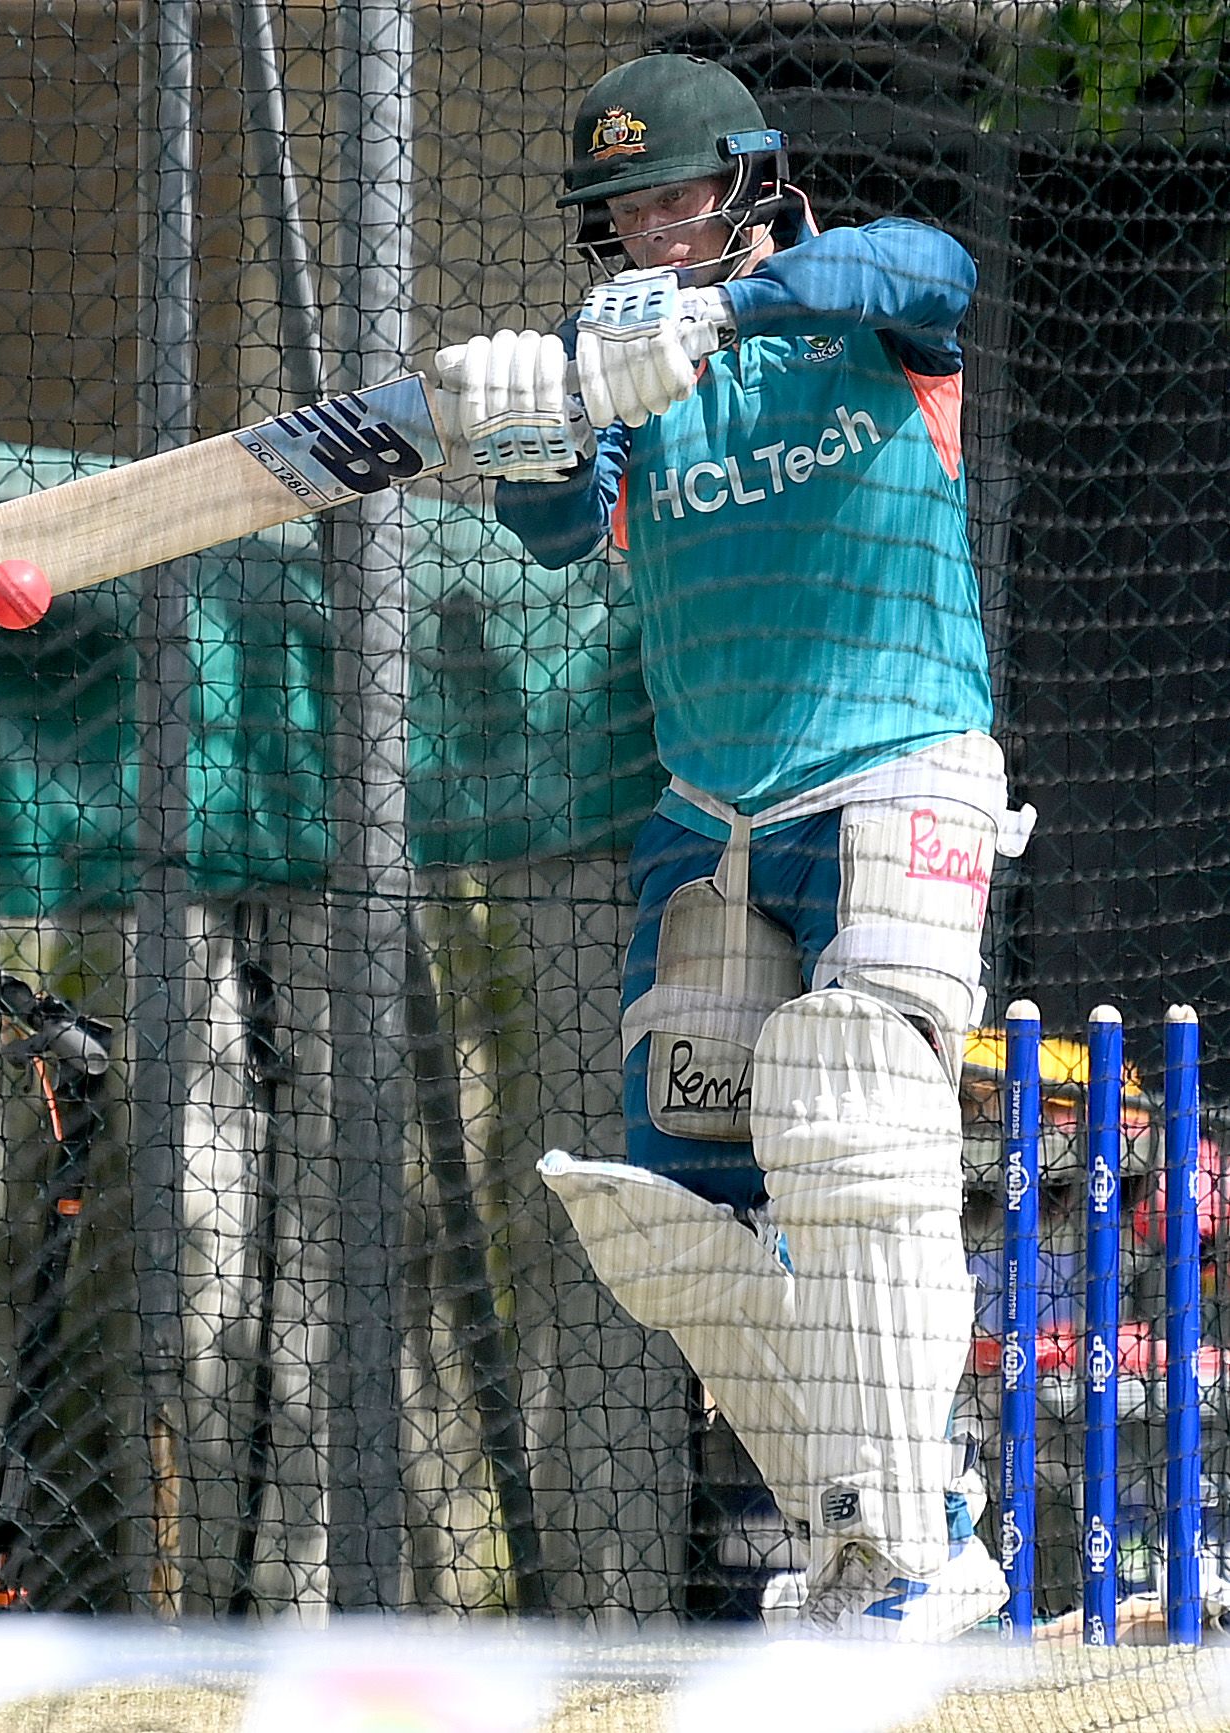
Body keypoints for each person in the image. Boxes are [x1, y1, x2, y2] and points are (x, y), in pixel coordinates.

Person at [434, 51, 1034, 1638]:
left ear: (757, 184)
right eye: (625, 213)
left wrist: (729, 312)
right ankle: (873, 1537)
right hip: (711, 817)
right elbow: (556, 532)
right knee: (682, 1220)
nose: (653, 230)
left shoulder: (867, 312)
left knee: (849, 1105)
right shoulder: (621, 366)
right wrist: (522, 424)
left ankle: (925, 1544)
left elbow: (938, 262)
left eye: (681, 197)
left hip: (899, 766)